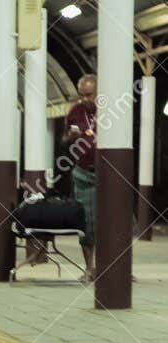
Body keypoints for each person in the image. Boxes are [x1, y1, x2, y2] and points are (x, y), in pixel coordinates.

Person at [64, 72, 98, 280]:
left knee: (119, 221)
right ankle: (89, 268)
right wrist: (71, 136)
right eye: (81, 94)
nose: (85, 99)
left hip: (109, 174)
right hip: (84, 173)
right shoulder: (75, 111)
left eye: (89, 94)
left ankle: (118, 267)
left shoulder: (111, 108)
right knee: (86, 223)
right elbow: (65, 139)